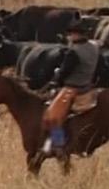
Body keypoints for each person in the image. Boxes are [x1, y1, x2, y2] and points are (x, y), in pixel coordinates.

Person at [43, 27, 101, 155]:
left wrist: (55, 80)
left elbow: (65, 71)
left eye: (71, 34)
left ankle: (58, 145)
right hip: (88, 85)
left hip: (73, 88)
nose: (70, 37)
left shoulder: (74, 52)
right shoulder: (94, 46)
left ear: (76, 35)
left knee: (53, 117)